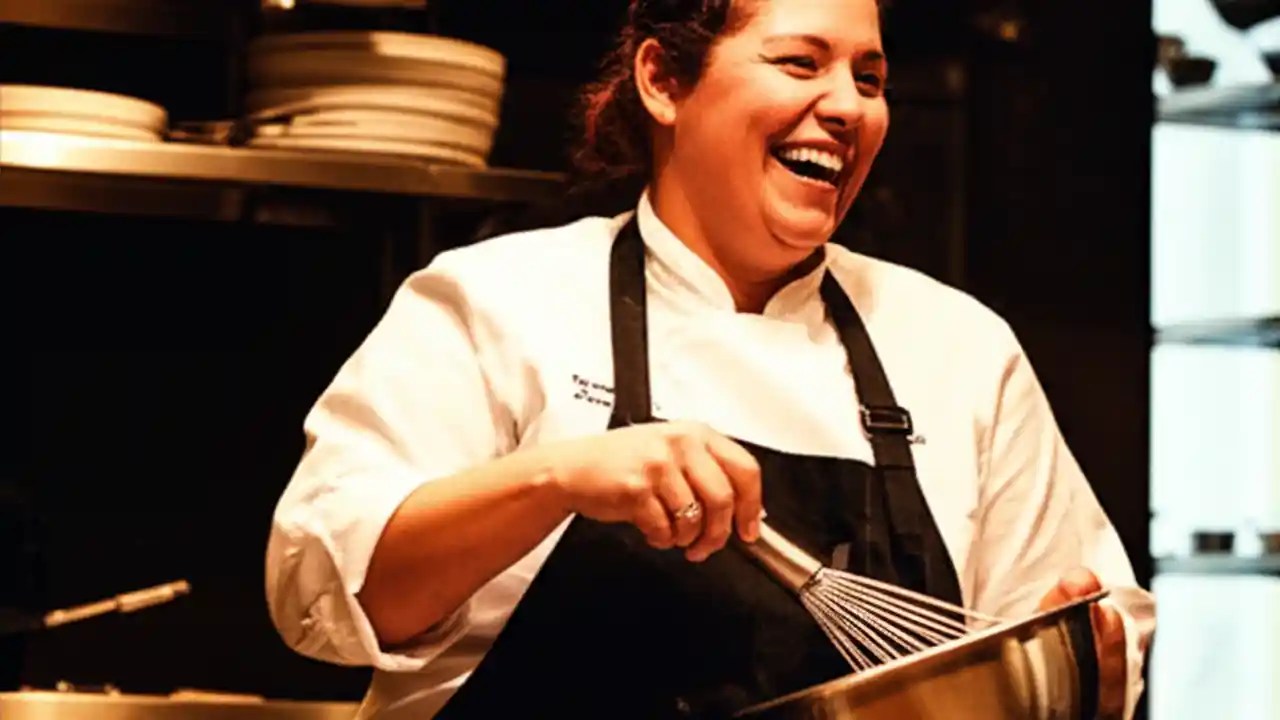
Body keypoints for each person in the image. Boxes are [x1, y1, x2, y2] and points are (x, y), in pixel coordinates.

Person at [265, 0, 1156, 718]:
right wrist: (558, 479)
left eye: (870, 76)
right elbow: (324, 591)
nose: (848, 105)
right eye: (801, 62)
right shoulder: (499, 301)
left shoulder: (955, 347)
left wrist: (1078, 657)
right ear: (663, 80)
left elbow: (1084, 628)